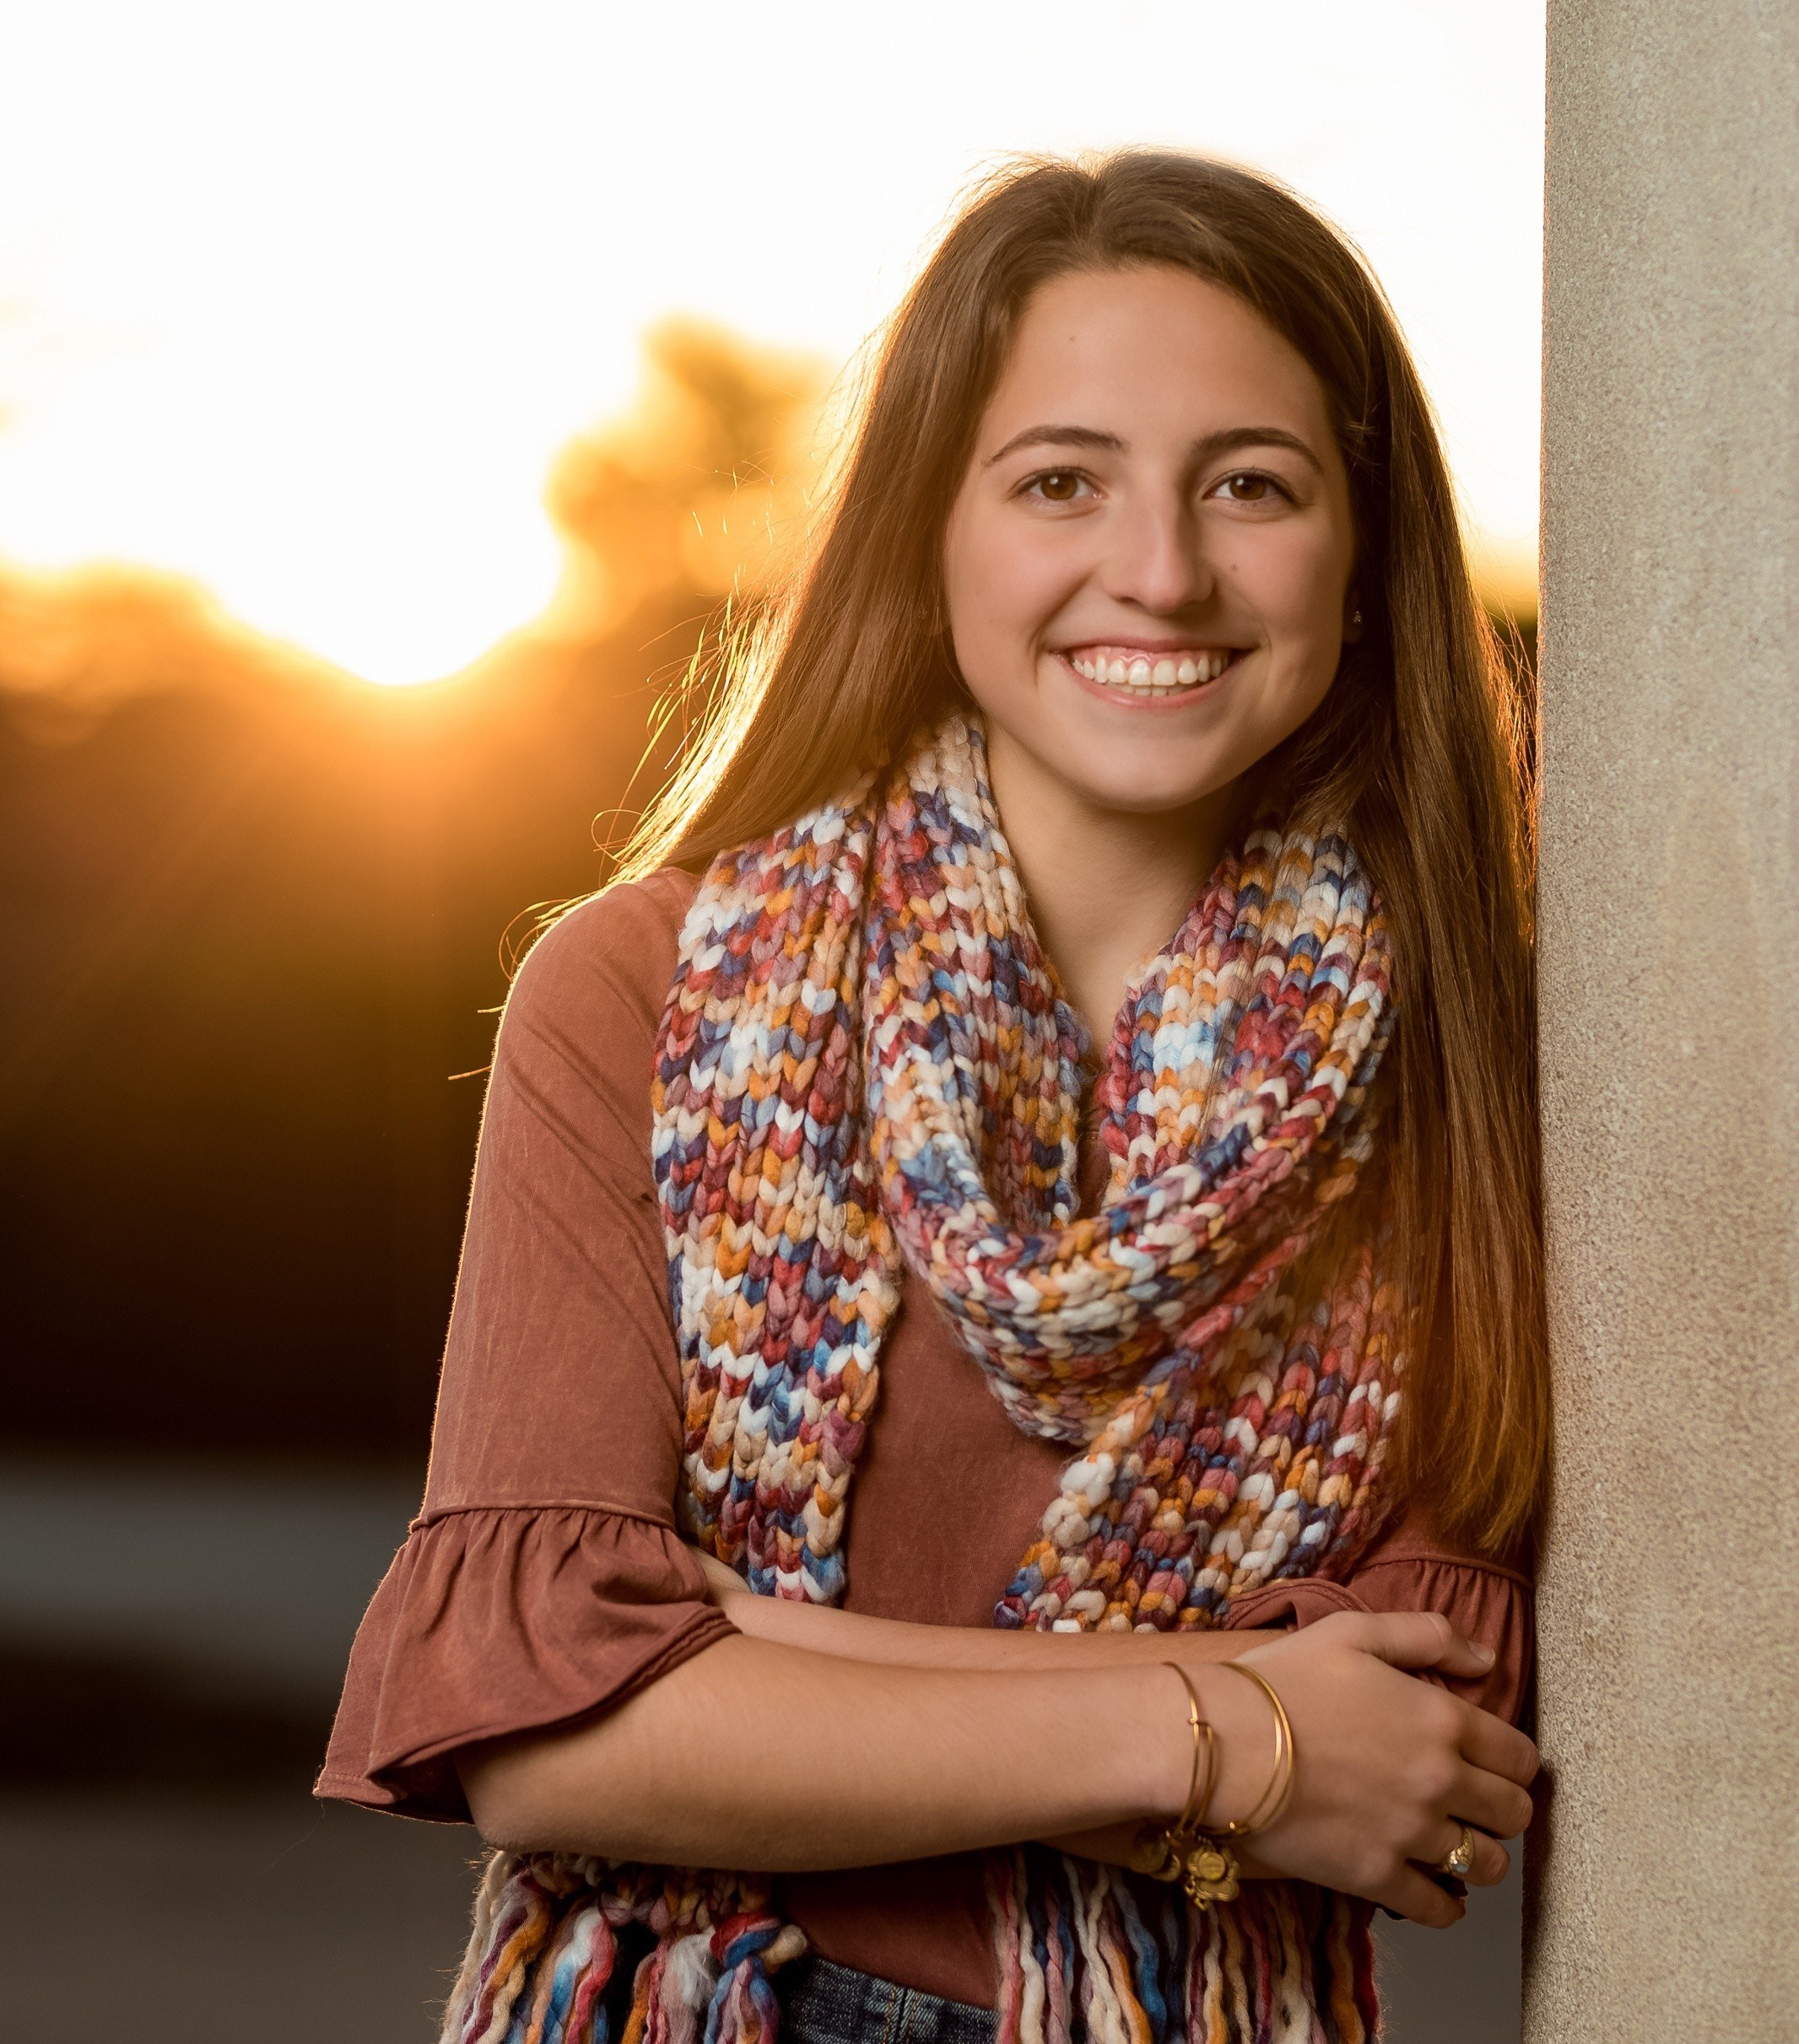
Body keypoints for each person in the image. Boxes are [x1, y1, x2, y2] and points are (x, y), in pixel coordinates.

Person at [321, 150, 1548, 2044]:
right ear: (933, 536)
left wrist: (742, 1655)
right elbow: (550, 1736)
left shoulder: (1474, 1086)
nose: (1159, 568)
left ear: (1365, 559)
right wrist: (1213, 1730)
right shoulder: (633, 996)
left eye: (1252, 484)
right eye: (1063, 479)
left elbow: (1410, 1767)